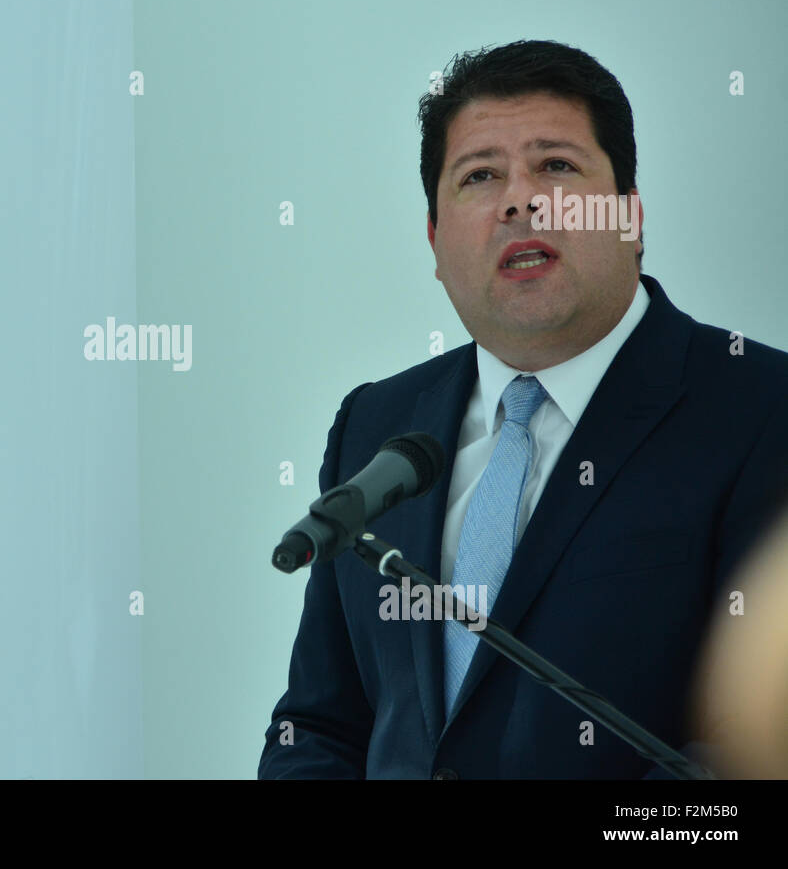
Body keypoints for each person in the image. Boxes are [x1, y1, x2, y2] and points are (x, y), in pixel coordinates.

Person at [257, 40, 788, 779]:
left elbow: (753, 752)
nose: (519, 200)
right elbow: (319, 724)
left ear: (630, 216)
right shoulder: (377, 428)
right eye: (479, 176)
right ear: (436, 241)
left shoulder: (761, 410)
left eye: (557, 167)